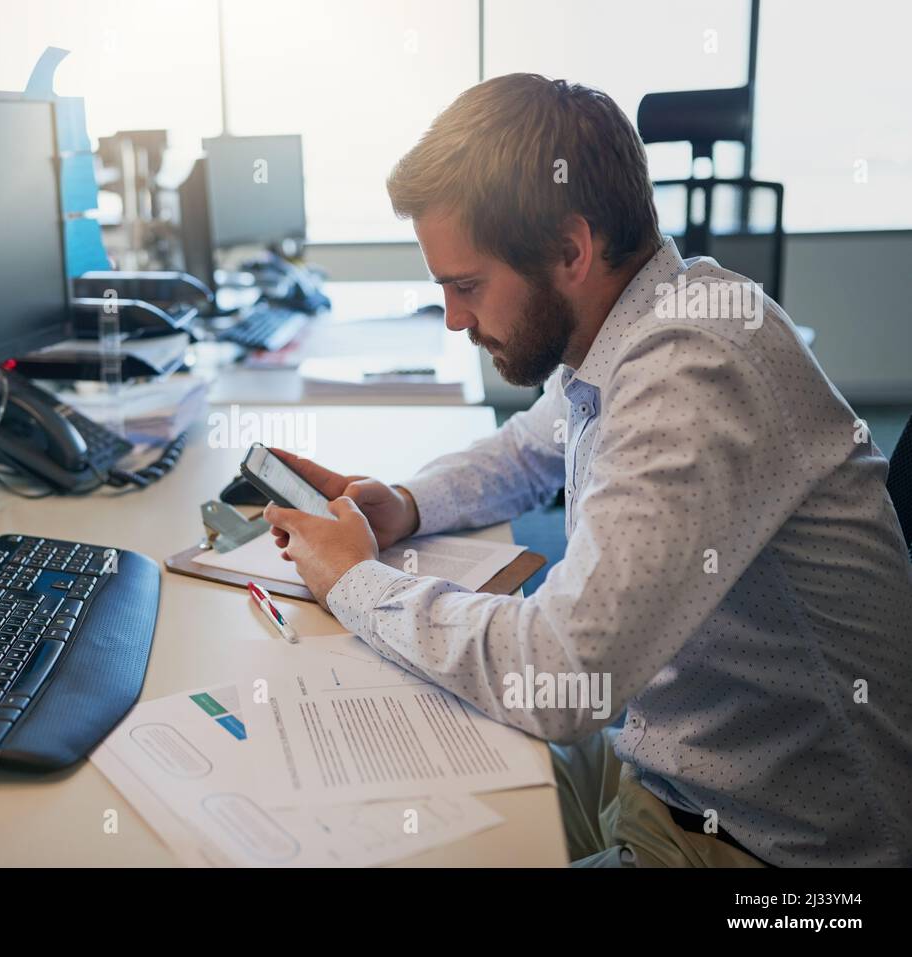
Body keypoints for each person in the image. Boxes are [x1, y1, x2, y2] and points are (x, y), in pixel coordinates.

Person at [263, 74, 912, 867]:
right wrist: (403, 502)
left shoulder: (692, 370)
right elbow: (529, 446)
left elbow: (565, 674)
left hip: (775, 848)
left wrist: (356, 579)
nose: (457, 320)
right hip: (668, 763)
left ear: (572, 249)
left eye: (467, 285)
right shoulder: (640, 322)